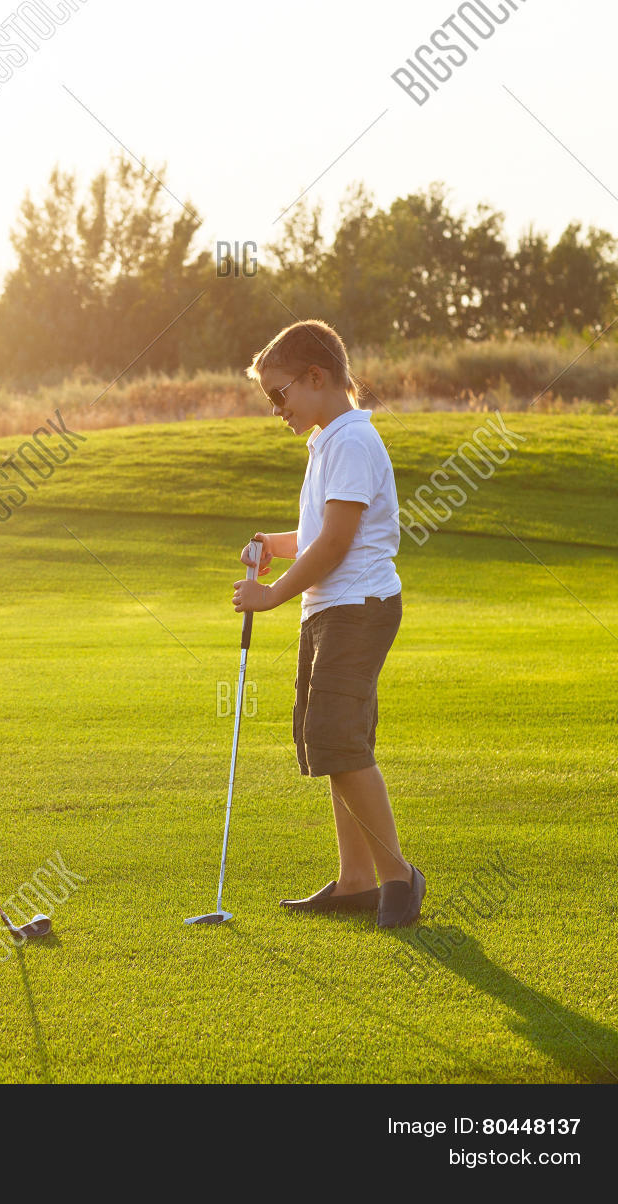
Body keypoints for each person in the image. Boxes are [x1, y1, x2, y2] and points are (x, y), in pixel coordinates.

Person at [233, 319, 425, 928]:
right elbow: (319, 534)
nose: (275, 409)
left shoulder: (351, 441)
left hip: (357, 606)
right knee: (328, 741)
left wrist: (272, 596)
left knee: (340, 738)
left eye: (278, 394)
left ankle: (398, 877)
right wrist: (275, 543)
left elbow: (340, 542)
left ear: (316, 377)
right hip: (331, 608)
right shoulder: (329, 442)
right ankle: (355, 881)